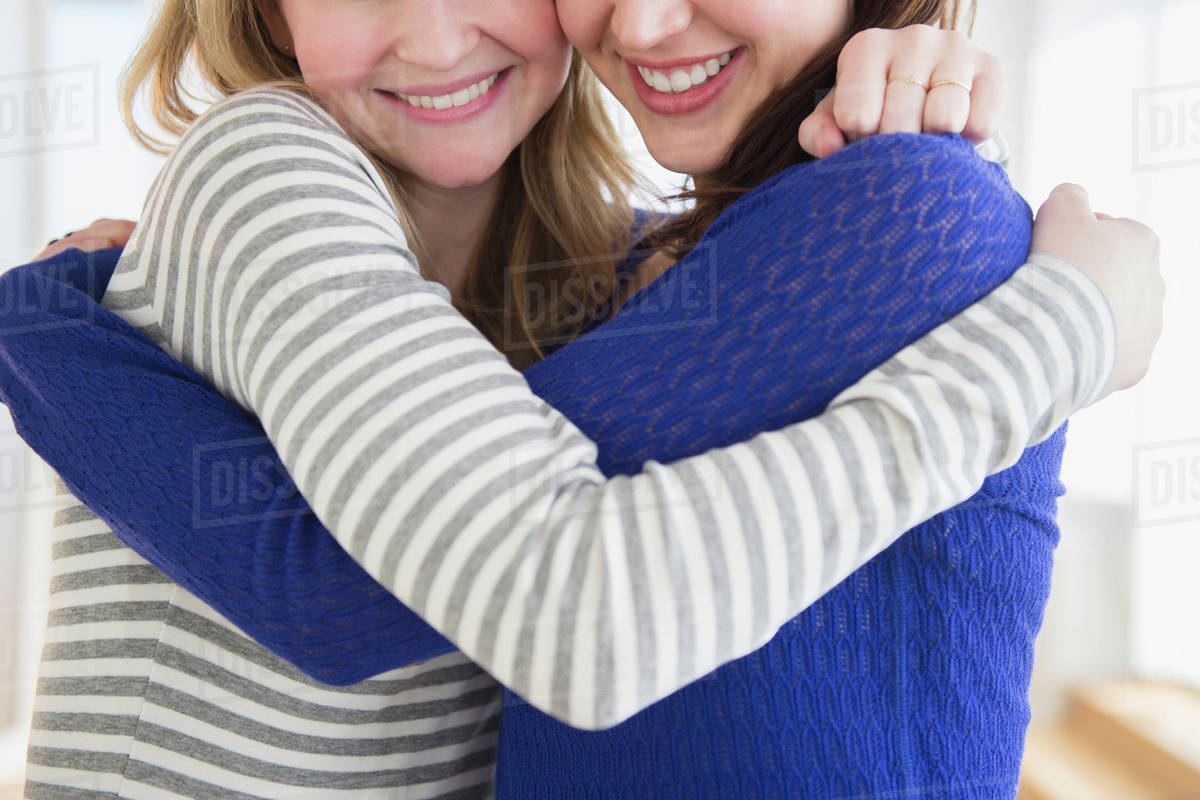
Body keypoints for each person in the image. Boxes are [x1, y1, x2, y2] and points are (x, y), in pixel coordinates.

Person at [0, 2, 1161, 800]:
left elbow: (360, 589)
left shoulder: (724, 247)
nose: (435, 33)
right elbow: (416, 584)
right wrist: (1062, 336)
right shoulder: (293, 173)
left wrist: (47, 330)